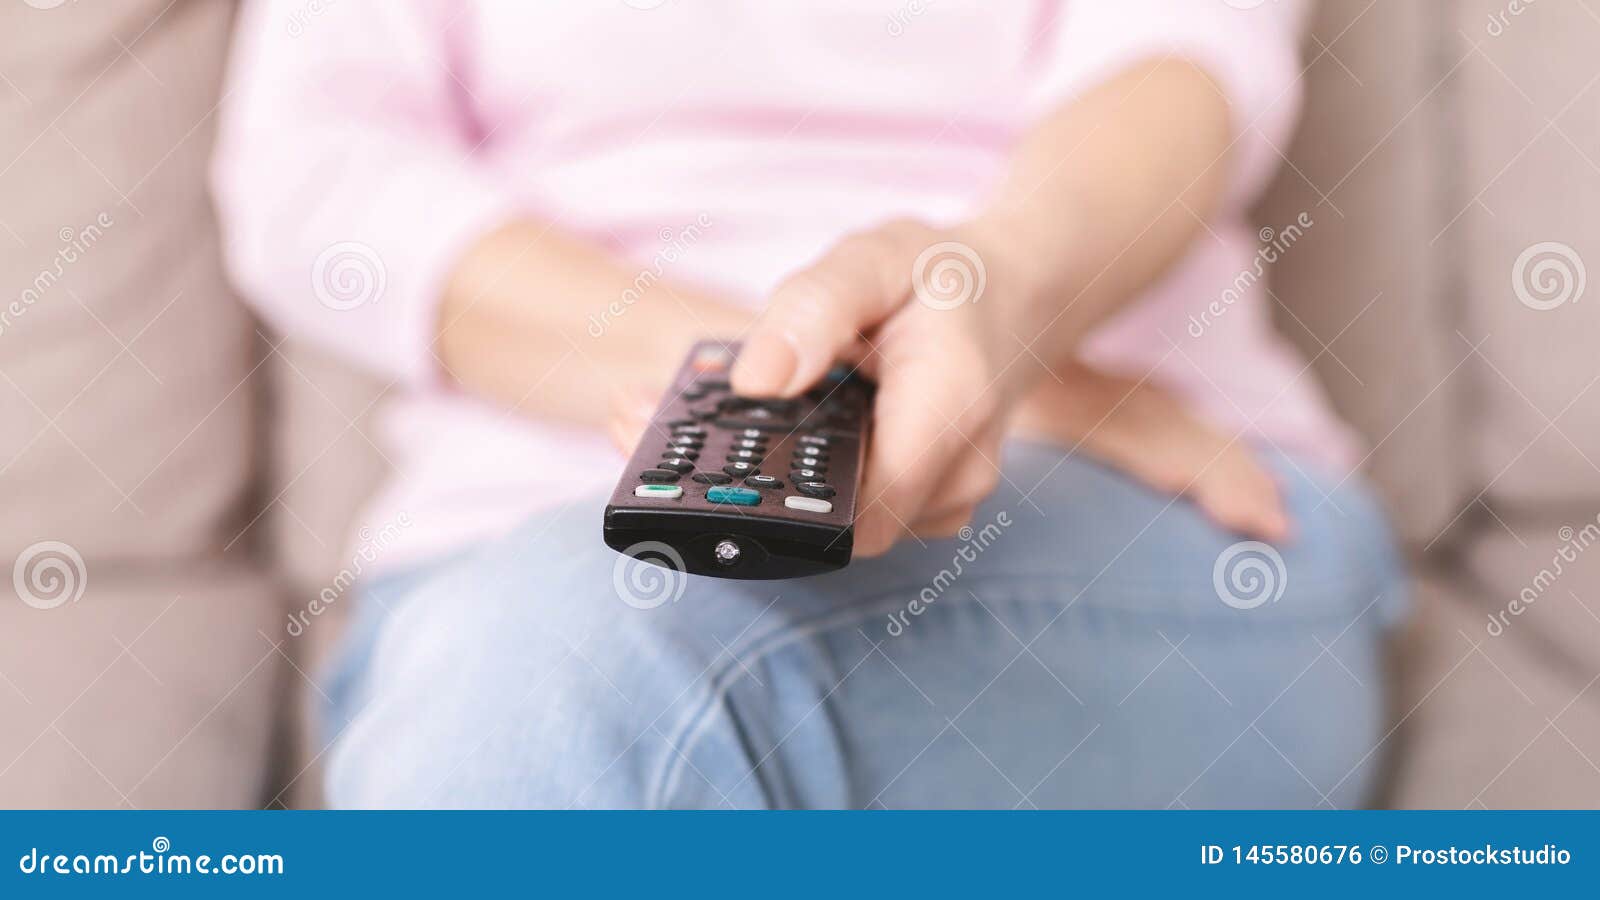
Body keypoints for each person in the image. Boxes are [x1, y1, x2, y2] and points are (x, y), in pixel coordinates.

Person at [213, 0, 1405, 808]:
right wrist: (847, 380)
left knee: (546, 690)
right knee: (533, 670)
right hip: (490, 579)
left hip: (1141, 505)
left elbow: (1177, 70)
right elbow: (314, 178)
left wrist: (994, 306)